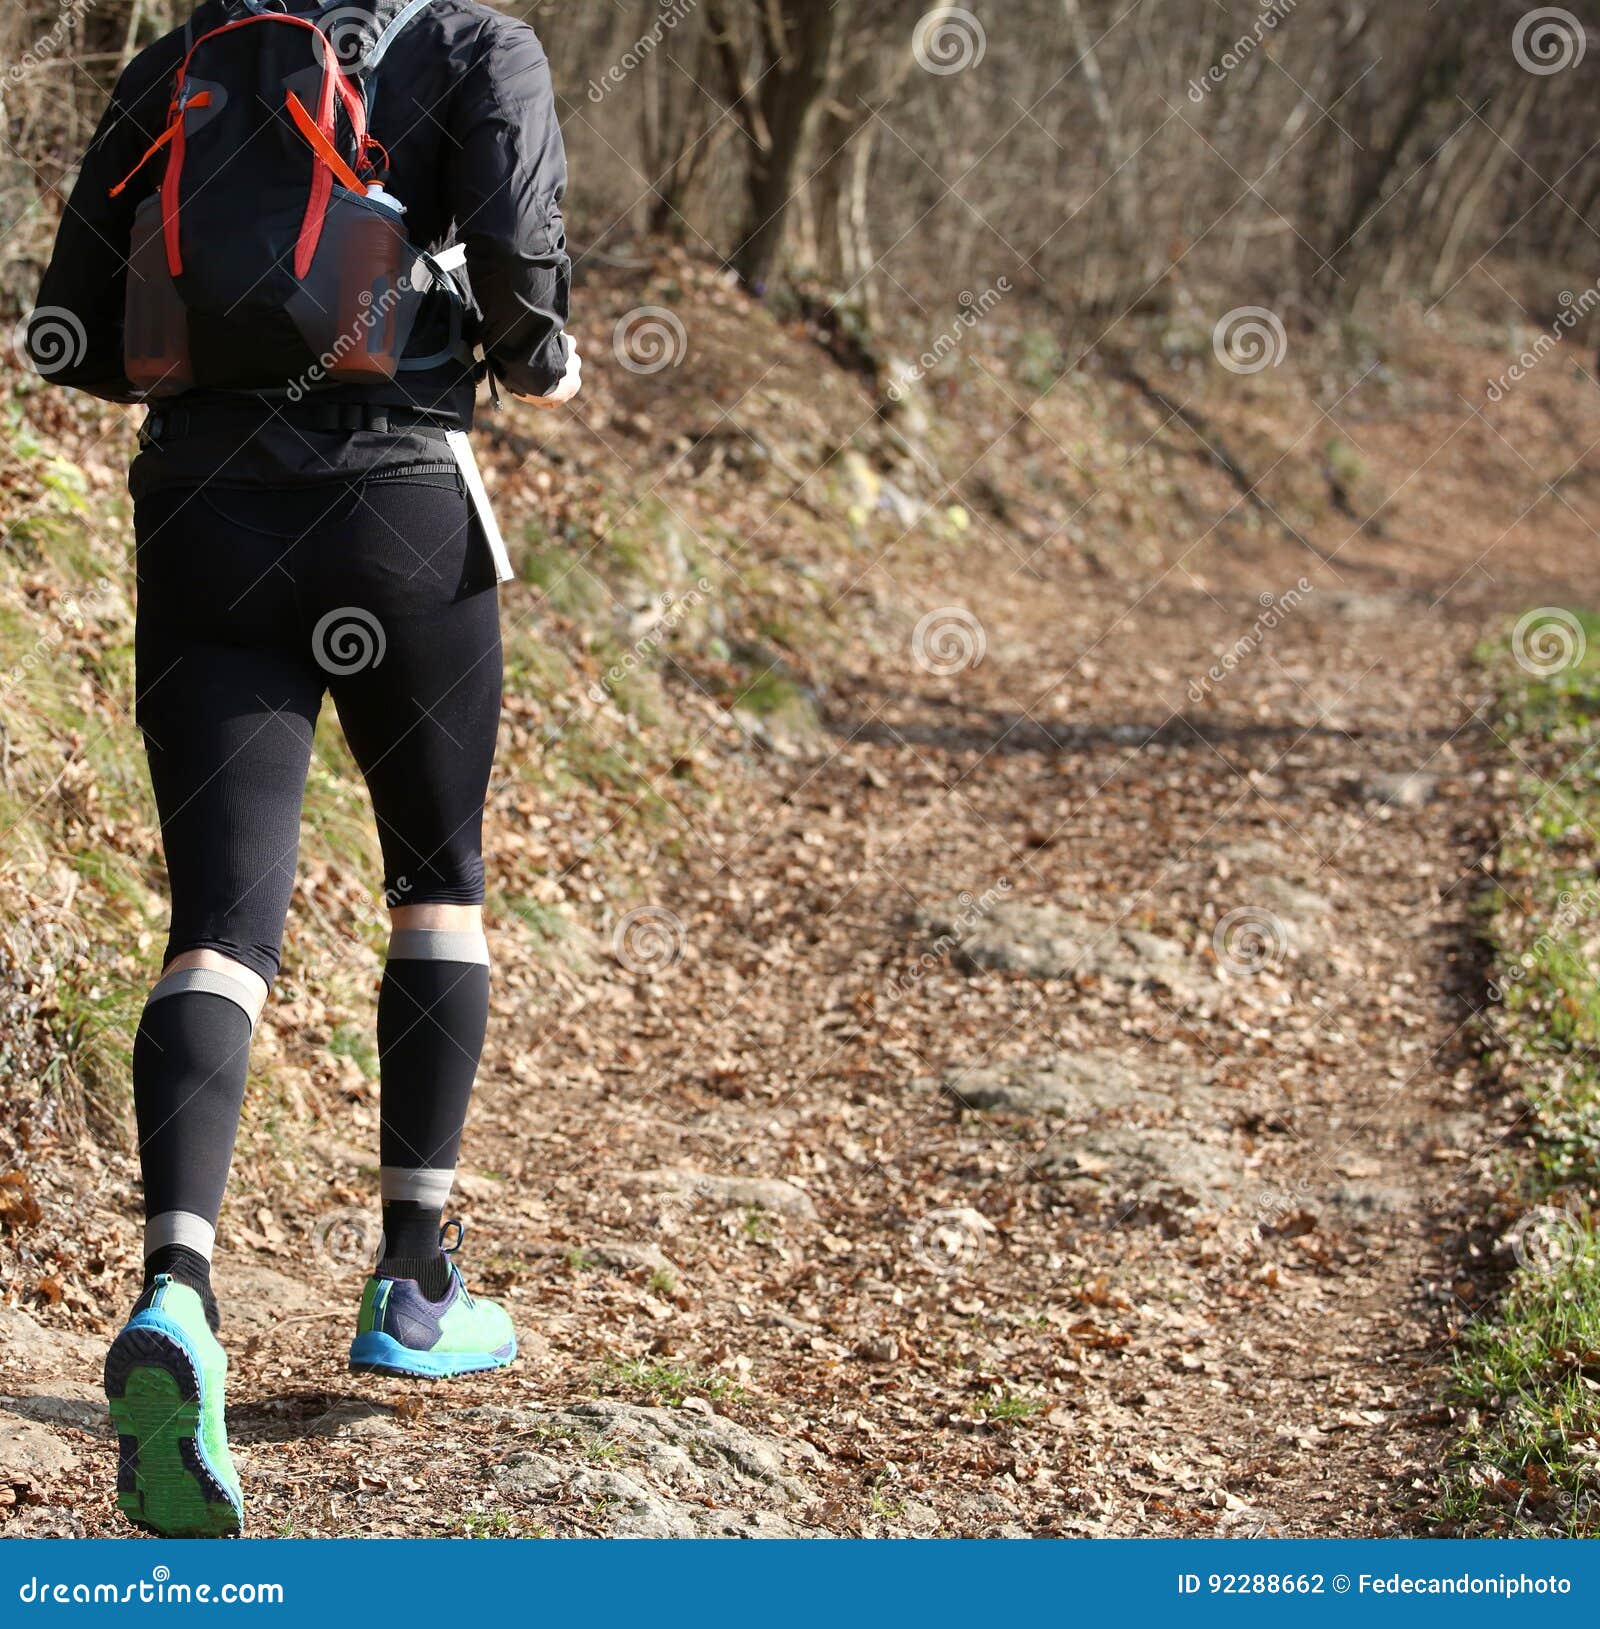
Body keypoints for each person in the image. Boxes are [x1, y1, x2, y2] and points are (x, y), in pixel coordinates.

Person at [24, 0, 580, 1537]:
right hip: (399, 505)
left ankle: (177, 1291)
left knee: (218, 927)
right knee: (438, 883)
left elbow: (63, 325)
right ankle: (410, 1280)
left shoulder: (186, 56)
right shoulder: (478, 47)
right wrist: (530, 345)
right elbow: (527, 288)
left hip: (201, 513)